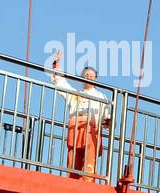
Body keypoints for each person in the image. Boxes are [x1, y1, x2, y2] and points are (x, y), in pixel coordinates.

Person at [48, 50, 112, 179]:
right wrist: (56, 65)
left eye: (91, 76)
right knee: (73, 155)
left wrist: (108, 122)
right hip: (75, 127)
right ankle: (72, 179)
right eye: (86, 75)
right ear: (82, 78)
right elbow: (60, 83)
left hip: (92, 129)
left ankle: (88, 179)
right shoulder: (75, 94)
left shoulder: (102, 97)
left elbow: (107, 117)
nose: (88, 77)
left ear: (96, 79)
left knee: (89, 155)